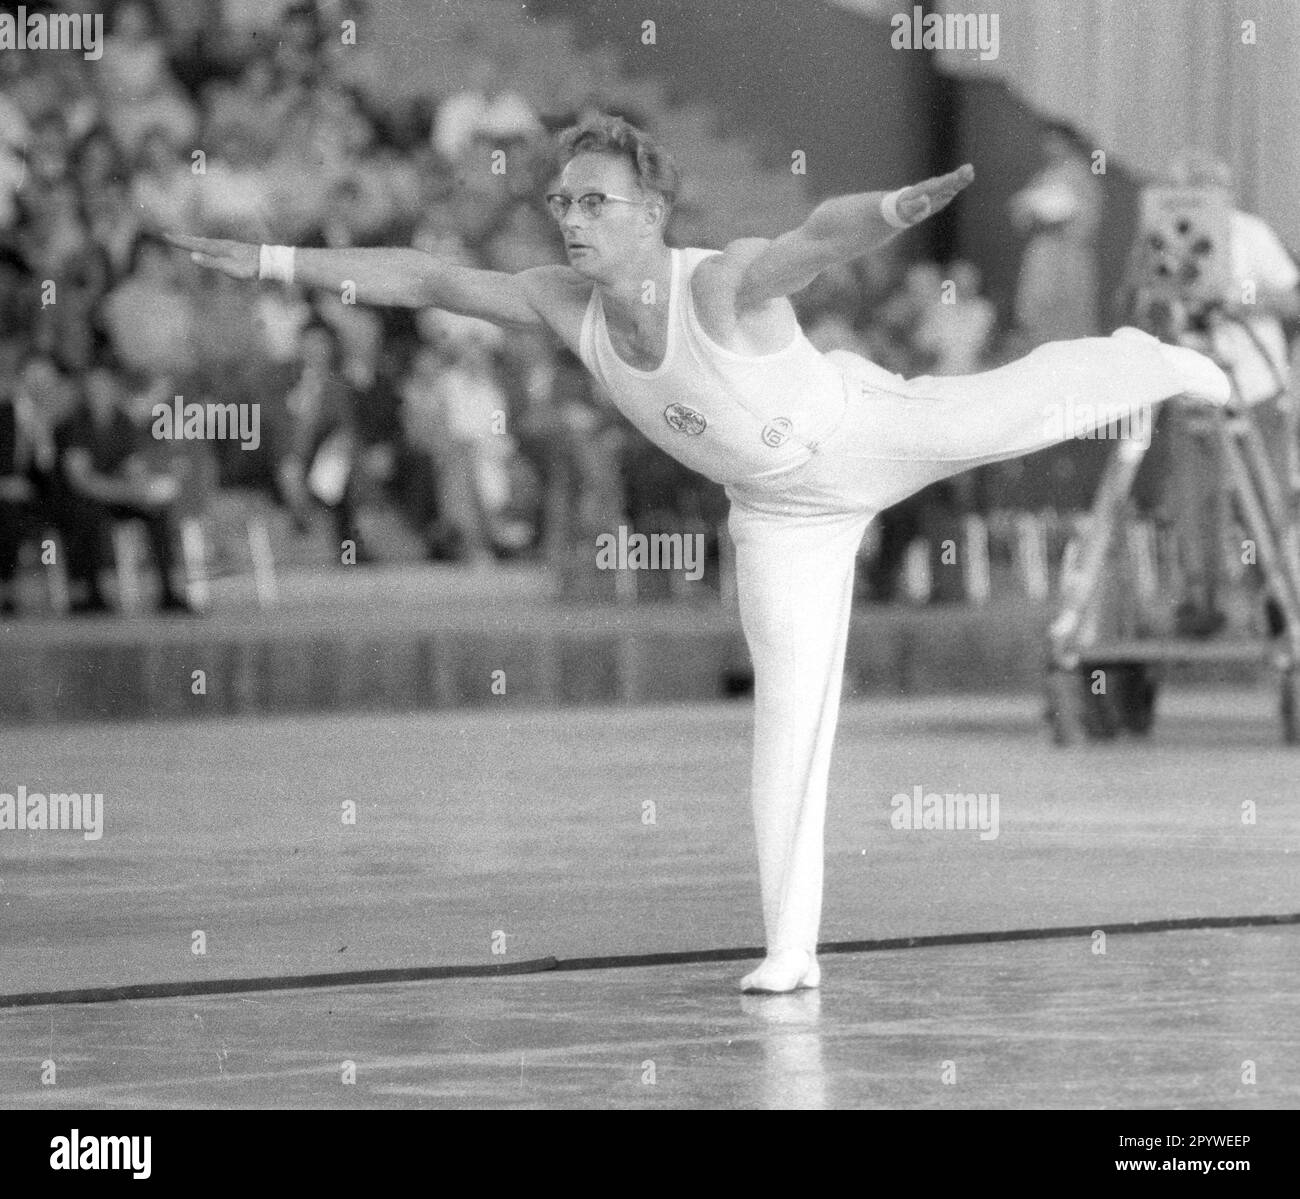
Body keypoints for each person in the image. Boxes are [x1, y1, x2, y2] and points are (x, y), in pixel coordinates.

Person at [169, 114, 1231, 993]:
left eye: (595, 202)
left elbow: (811, 242)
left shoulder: (714, 286)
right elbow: (425, 280)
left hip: (859, 433)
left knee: (1022, 405)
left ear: (653, 216)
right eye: (562, 202)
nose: (572, 220)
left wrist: (890, 213)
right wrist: (274, 259)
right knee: (786, 716)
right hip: (777, 511)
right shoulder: (558, 298)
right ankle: (791, 949)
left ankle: (1145, 357)